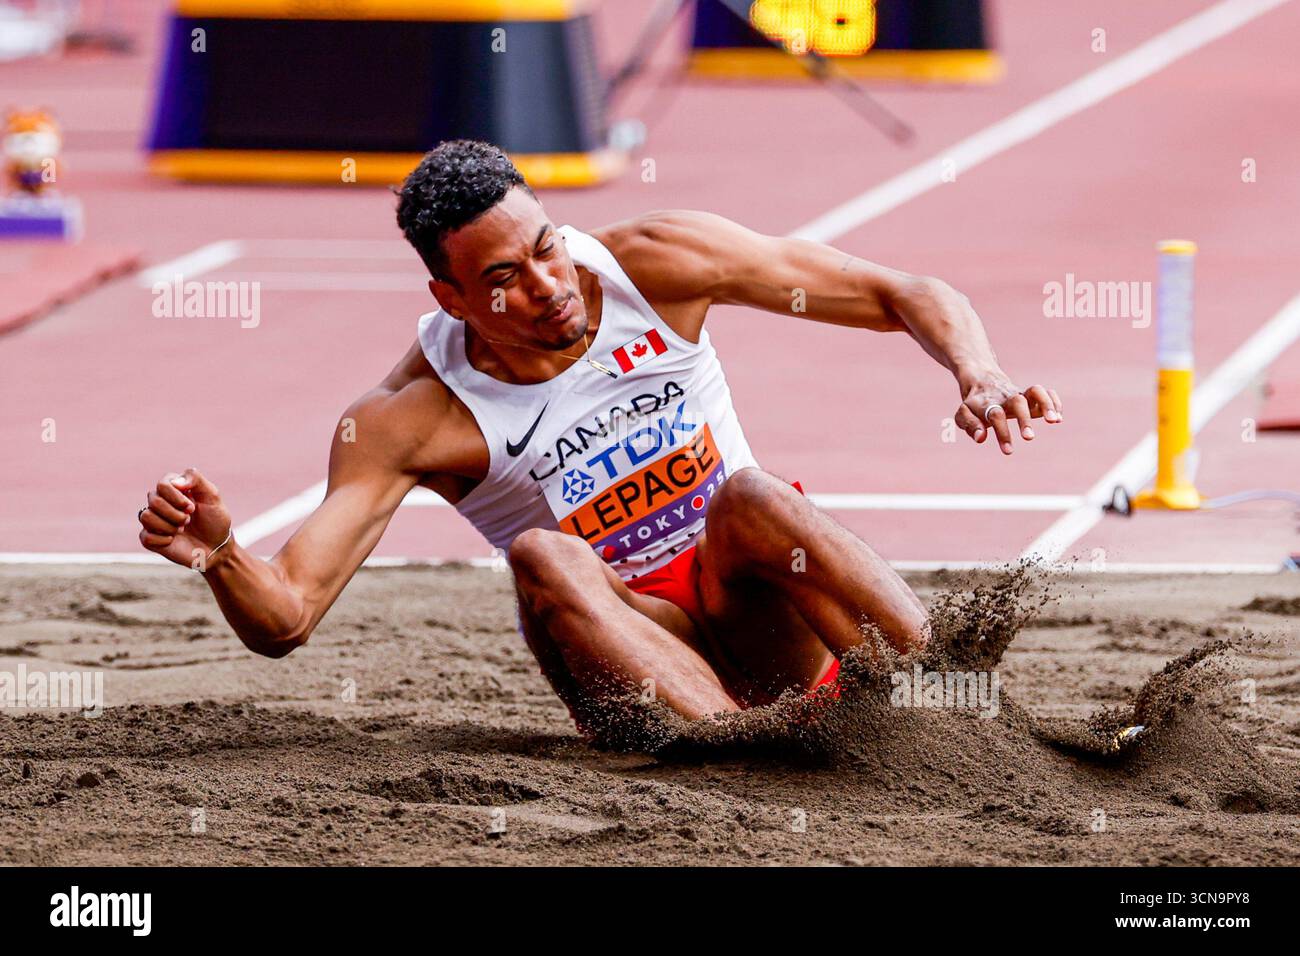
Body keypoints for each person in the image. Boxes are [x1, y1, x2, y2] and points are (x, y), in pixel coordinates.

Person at [138, 140, 1062, 732]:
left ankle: (972, 720)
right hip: (633, 659)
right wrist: (220, 550)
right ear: (452, 300)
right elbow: (287, 616)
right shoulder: (410, 419)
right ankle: (734, 757)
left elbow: (903, 291)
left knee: (752, 495)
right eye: (508, 278)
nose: (550, 286)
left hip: (760, 611)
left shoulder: (658, 263)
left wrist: (976, 372)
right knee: (541, 552)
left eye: (547, 245)